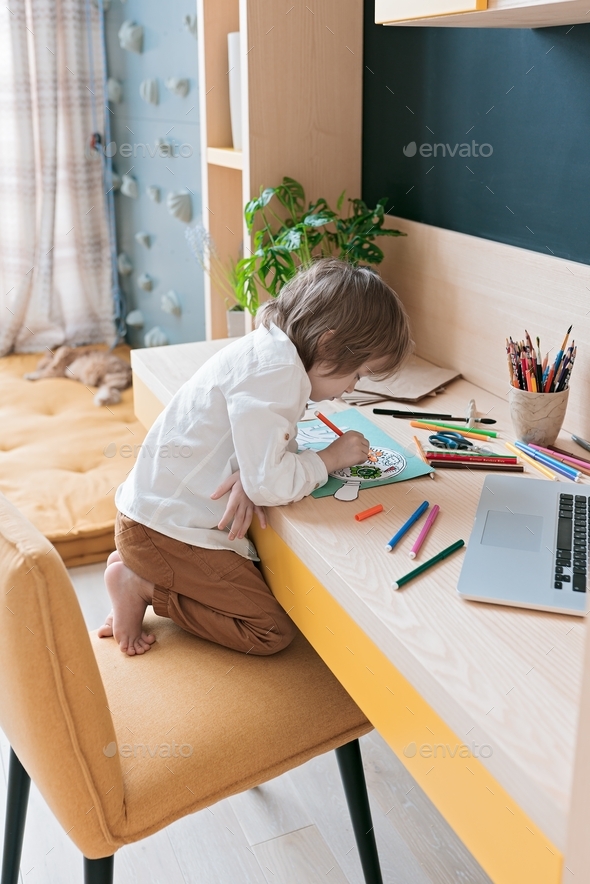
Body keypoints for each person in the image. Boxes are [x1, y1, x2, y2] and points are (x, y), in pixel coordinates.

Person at [99, 258, 412, 656]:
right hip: (164, 532)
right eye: (359, 374)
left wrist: (253, 474)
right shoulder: (278, 376)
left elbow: (260, 459)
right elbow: (270, 485)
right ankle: (142, 583)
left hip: (151, 518)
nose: (352, 387)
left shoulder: (269, 352)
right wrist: (329, 459)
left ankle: (142, 566)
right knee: (270, 630)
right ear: (329, 345)